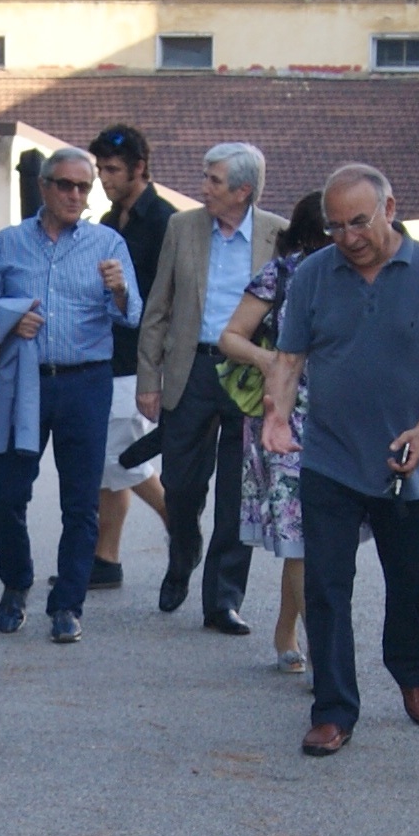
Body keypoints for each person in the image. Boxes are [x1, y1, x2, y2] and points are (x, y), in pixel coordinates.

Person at [263, 168, 419, 756]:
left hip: (408, 461)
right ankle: (334, 709)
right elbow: (288, 358)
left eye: (359, 222)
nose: (348, 237)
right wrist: (276, 415)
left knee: (415, 582)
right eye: (335, 226)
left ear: (390, 207)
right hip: (329, 458)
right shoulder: (314, 274)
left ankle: (411, 670)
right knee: (326, 587)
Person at [0, 146, 142, 645]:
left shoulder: (107, 243)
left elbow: (132, 315)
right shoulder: (9, 243)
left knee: (81, 501)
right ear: (45, 187)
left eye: (83, 187)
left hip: (85, 382)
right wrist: (11, 324)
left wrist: (119, 290)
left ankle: (68, 604)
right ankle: (16, 583)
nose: (75, 195)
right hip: (24, 381)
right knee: (8, 493)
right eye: (66, 185)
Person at [136, 142, 286, 633]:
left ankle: (222, 600)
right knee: (180, 486)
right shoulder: (182, 228)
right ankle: (183, 554)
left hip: (247, 376)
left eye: (213, 180)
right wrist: (149, 379)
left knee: (237, 494)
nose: (203, 188)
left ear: (243, 191)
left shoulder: (277, 235)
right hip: (192, 370)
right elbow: (158, 307)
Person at [218, 191, 331, 674]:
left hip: (341, 422)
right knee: (302, 536)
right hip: (284, 421)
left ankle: (287, 629)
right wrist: (271, 360)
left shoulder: (364, 276)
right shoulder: (282, 274)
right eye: (334, 227)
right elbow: (230, 336)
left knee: (313, 540)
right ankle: (325, 654)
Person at [88, 124, 175, 590]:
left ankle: (181, 527)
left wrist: (159, 368)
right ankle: (106, 559)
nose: (103, 178)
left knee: (123, 459)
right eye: (100, 168)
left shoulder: (165, 222)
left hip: (138, 362)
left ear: (139, 168)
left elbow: (173, 298)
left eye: (112, 169)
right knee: (109, 464)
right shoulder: (108, 222)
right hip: (108, 354)